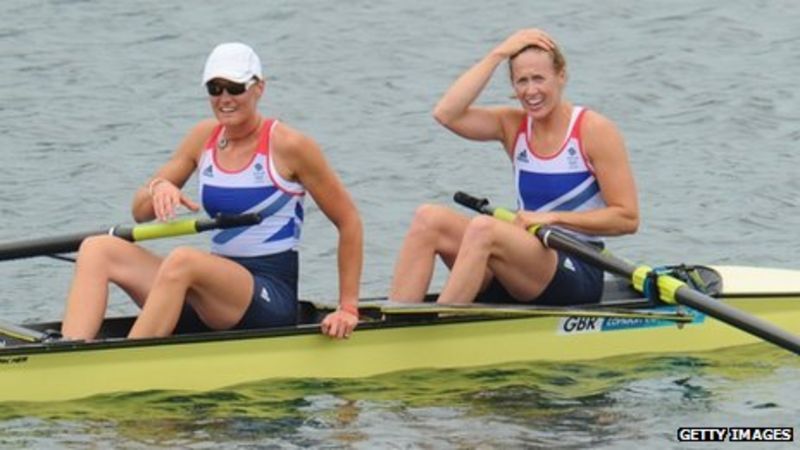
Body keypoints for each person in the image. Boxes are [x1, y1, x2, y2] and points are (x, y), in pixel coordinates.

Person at [61, 42, 362, 340]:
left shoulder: (289, 145)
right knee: (96, 249)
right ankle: (68, 355)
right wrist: (159, 187)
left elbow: (349, 221)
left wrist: (347, 308)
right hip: (211, 295)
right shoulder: (203, 137)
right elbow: (139, 212)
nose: (225, 98)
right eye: (215, 89)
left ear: (259, 88)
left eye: (235, 87)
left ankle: (120, 366)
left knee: (183, 260)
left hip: (268, 297)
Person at [390, 29, 639, 306]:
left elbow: (627, 218)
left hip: (578, 268)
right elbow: (446, 113)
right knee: (429, 218)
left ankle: (440, 328)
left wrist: (552, 218)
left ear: (561, 76)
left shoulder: (594, 130)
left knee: (484, 228)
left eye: (538, 79)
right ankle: (397, 322)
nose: (530, 91)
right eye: (521, 81)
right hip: (523, 267)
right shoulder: (513, 125)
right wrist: (498, 54)